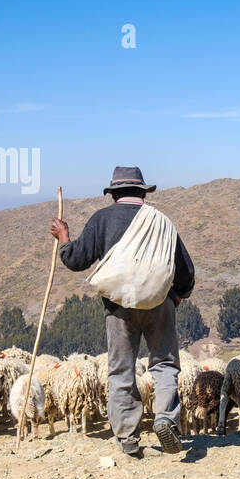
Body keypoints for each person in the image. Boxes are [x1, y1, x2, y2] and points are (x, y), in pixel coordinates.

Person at [50, 166, 195, 457]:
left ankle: (128, 438)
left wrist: (64, 238)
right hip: (159, 304)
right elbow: (185, 271)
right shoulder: (162, 222)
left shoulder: (102, 220)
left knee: (121, 370)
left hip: (118, 308)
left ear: (113, 194)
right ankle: (166, 419)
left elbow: (77, 260)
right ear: (143, 192)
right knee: (164, 365)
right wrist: (178, 295)